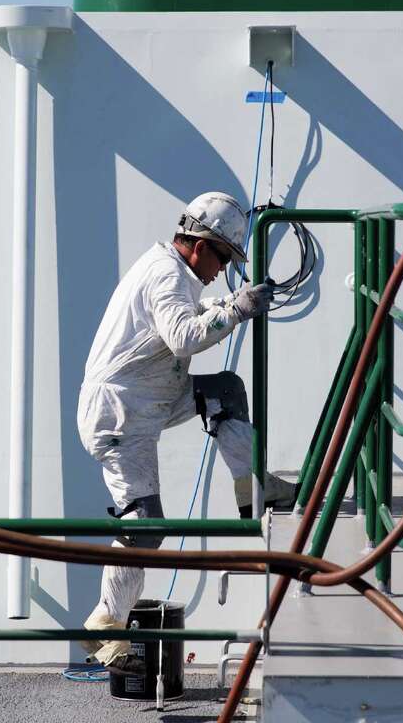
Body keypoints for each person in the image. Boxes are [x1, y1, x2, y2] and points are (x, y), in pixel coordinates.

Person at [76, 191, 297, 674]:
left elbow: (182, 317)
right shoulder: (166, 274)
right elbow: (182, 337)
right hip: (122, 415)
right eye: (224, 257)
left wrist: (229, 302)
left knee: (225, 391)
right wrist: (236, 310)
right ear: (200, 245)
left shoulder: (172, 271)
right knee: (146, 526)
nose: (223, 269)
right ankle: (105, 625)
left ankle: (252, 488)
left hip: (148, 398)